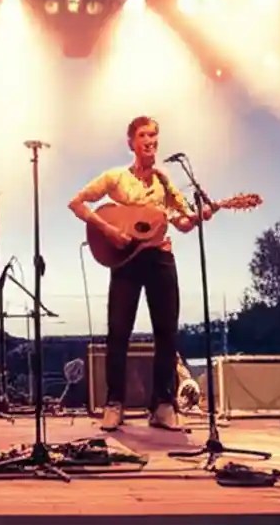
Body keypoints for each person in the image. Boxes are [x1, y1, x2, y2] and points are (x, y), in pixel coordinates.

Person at [69, 116, 211, 432]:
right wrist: (109, 230)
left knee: (167, 332)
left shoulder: (164, 181)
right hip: (126, 260)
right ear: (131, 142)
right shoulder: (116, 177)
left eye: (154, 136)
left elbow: (182, 222)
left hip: (160, 257)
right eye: (144, 135)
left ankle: (162, 405)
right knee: (119, 331)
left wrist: (199, 217)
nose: (150, 141)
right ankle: (114, 403)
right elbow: (77, 203)